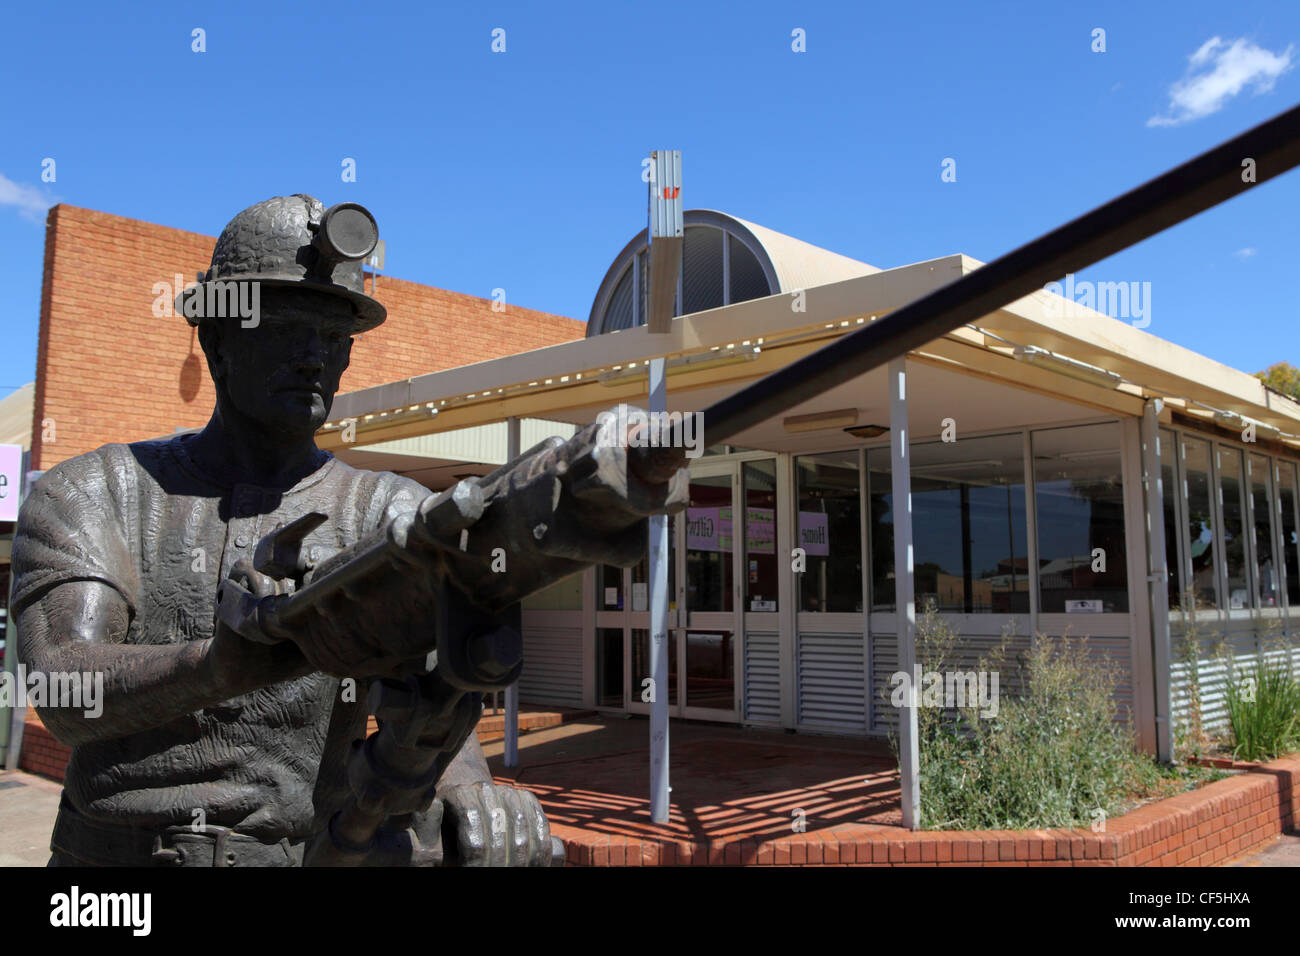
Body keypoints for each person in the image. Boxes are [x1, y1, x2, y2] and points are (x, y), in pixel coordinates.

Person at [12, 194, 684, 866]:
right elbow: (60, 688)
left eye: (335, 338)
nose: (314, 357)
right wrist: (212, 669)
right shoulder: (97, 490)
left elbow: (432, 694)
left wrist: (470, 792)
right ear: (217, 338)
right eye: (286, 329)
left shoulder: (391, 513)